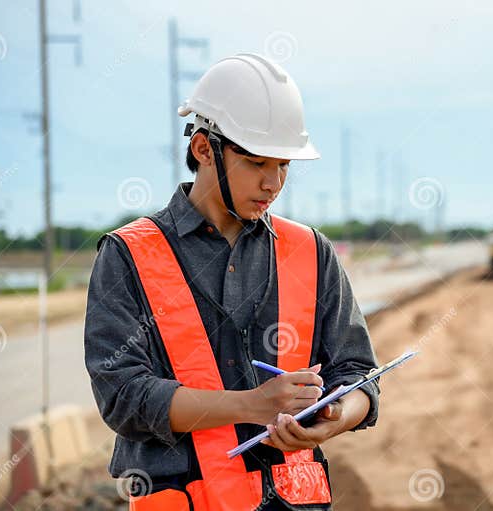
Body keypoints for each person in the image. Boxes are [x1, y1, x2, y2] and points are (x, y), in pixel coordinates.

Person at [84, 53, 380, 511]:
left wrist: (336, 416)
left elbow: (358, 373)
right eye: (257, 162)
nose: (273, 183)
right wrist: (252, 405)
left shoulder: (310, 251)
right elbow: (121, 396)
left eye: (283, 165)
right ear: (204, 149)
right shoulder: (130, 254)